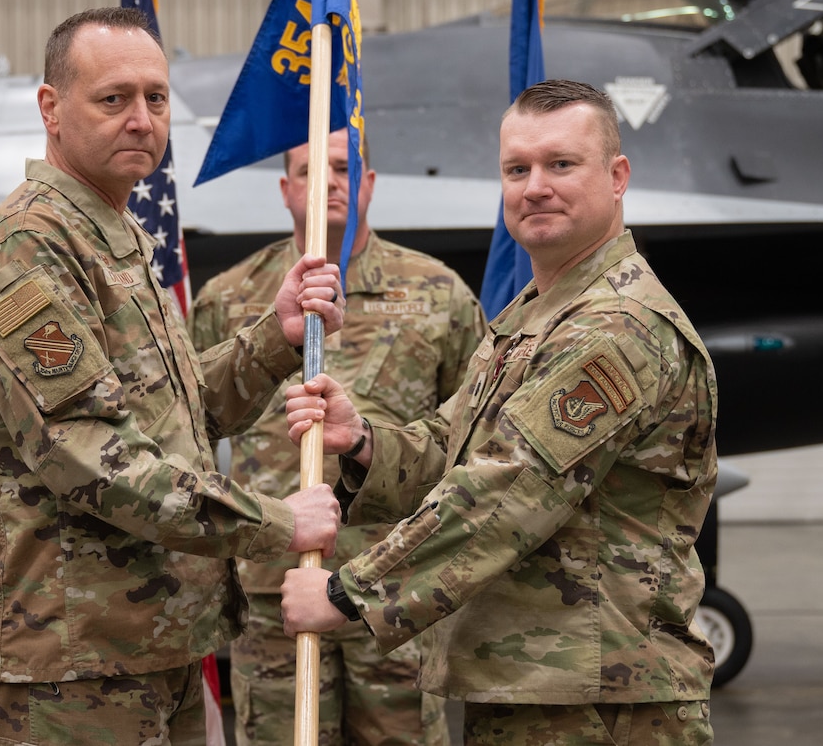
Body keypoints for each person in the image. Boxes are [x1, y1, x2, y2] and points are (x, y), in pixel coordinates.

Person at [0, 6, 345, 746]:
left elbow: (176, 419)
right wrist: (274, 522)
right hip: (65, 671)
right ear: (52, 109)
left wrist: (274, 341)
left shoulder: (112, 237)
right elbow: (90, 456)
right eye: (113, 98)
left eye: (155, 98)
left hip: (152, 648)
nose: (141, 119)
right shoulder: (26, 250)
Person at [280, 79, 718, 745]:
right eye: (517, 169)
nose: (534, 186)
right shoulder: (533, 317)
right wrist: (363, 441)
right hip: (539, 684)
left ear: (617, 175)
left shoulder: (617, 327)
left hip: (604, 702)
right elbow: (457, 446)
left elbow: (505, 491)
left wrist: (349, 595)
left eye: (561, 164)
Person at [191, 129, 485, 745]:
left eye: (344, 168)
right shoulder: (230, 297)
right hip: (276, 590)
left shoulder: (439, 293)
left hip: (393, 588)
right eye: (306, 171)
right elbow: (190, 431)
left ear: (370, 184)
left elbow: (473, 440)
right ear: (284, 189)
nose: (326, 182)